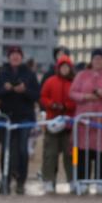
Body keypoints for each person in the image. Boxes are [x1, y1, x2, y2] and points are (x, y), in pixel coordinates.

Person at [69, 48, 102, 196]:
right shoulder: (81, 75)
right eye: (95, 59)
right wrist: (85, 97)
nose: (98, 61)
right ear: (91, 61)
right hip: (83, 122)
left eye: (100, 59)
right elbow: (72, 93)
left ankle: (101, 183)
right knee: (80, 153)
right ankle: (81, 181)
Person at [0, 46, 40, 194]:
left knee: (22, 149)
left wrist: (24, 90)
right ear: (8, 57)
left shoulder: (29, 74)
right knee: (6, 150)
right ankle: (5, 180)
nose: (15, 57)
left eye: (18, 55)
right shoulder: (2, 73)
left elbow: (36, 95)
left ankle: (21, 181)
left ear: (21, 57)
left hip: (24, 117)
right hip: (7, 118)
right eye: (12, 55)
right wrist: (6, 89)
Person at [38, 53, 76, 193]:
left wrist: (66, 106)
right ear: (58, 68)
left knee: (72, 154)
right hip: (52, 124)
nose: (65, 69)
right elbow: (43, 97)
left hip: (69, 125)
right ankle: (48, 180)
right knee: (50, 154)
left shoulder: (73, 83)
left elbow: (76, 100)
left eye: (67, 67)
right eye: (62, 67)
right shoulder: (50, 81)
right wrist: (51, 104)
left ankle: (73, 180)